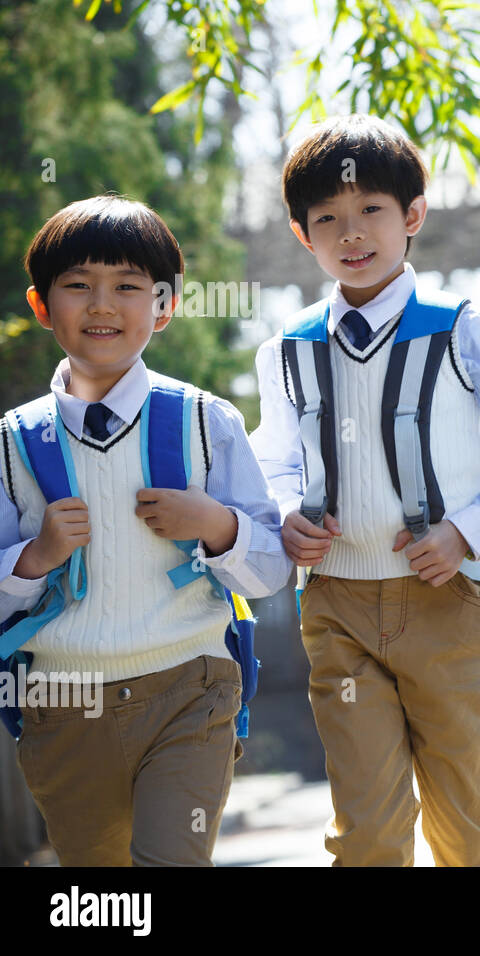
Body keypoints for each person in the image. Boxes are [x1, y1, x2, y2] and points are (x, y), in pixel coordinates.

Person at [250, 114, 480, 867]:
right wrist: (286, 512)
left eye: (371, 211)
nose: (352, 234)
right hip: (337, 608)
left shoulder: (467, 331)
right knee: (367, 832)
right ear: (301, 234)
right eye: (328, 220)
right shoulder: (287, 349)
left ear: (412, 215)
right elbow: (275, 459)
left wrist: (469, 530)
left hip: (449, 601)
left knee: (469, 829)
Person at [0, 194, 291, 865]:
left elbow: (272, 568)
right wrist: (33, 558)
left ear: (164, 305)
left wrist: (217, 526)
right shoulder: (14, 443)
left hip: (189, 688)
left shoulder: (204, 422)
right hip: (61, 706)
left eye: (128, 287)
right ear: (42, 307)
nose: (103, 305)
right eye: (78, 287)